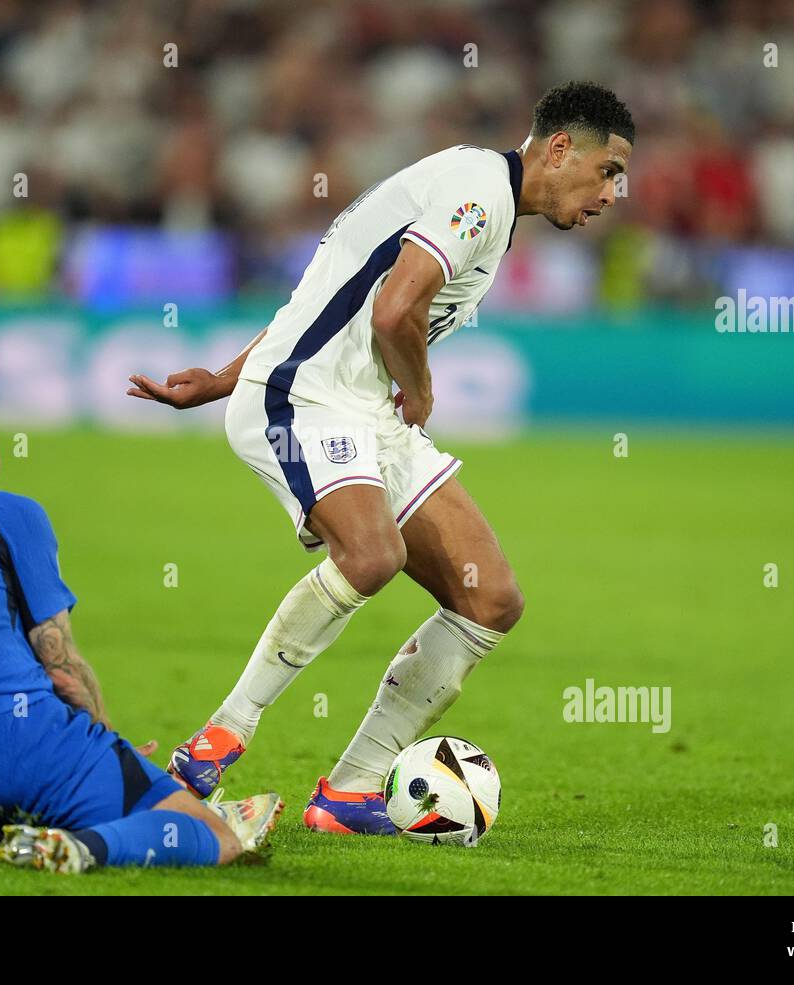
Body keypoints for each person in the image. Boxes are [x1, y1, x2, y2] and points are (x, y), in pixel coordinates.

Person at [127, 81, 634, 834]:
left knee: (489, 598)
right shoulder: (478, 193)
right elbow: (397, 309)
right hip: (308, 397)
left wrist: (218, 378)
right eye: (609, 170)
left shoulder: (482, 201)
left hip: (359, 407)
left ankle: (353, 790)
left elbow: (333, 295)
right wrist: (420, 389)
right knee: (371, 554)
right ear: (560, 149)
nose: (615, 194)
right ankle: (219, 736)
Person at [0, 381, 282, 872]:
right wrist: (110, 752)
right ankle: (82, 849)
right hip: (21, 747)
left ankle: (64, 817)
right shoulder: (8, 513)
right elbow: (60, 663)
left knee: (47, 781)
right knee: (217, 837)